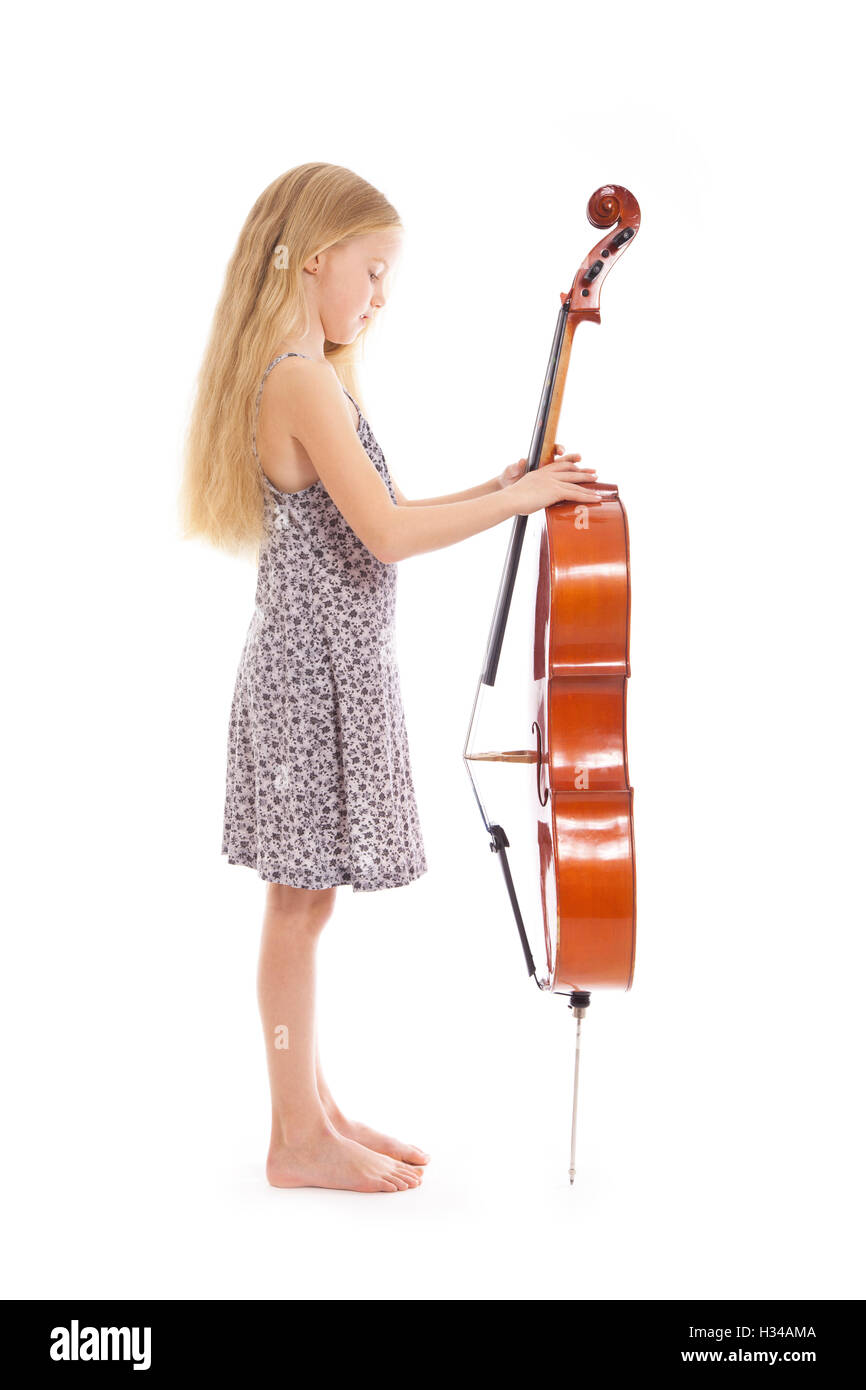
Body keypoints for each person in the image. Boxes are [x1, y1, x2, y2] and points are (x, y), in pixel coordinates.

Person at [178, 162, 600, 1194]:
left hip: (324, 677)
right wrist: (523, 498)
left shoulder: (305, 375)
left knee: (306, 904)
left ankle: (311, 1109)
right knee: (296, 904)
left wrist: (496, 485)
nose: (376, 301)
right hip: (307, 683)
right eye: (370, 274)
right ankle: (295, 1138)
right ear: (315, 259)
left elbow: (383, 519)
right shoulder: (297, 378)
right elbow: (390, 533)